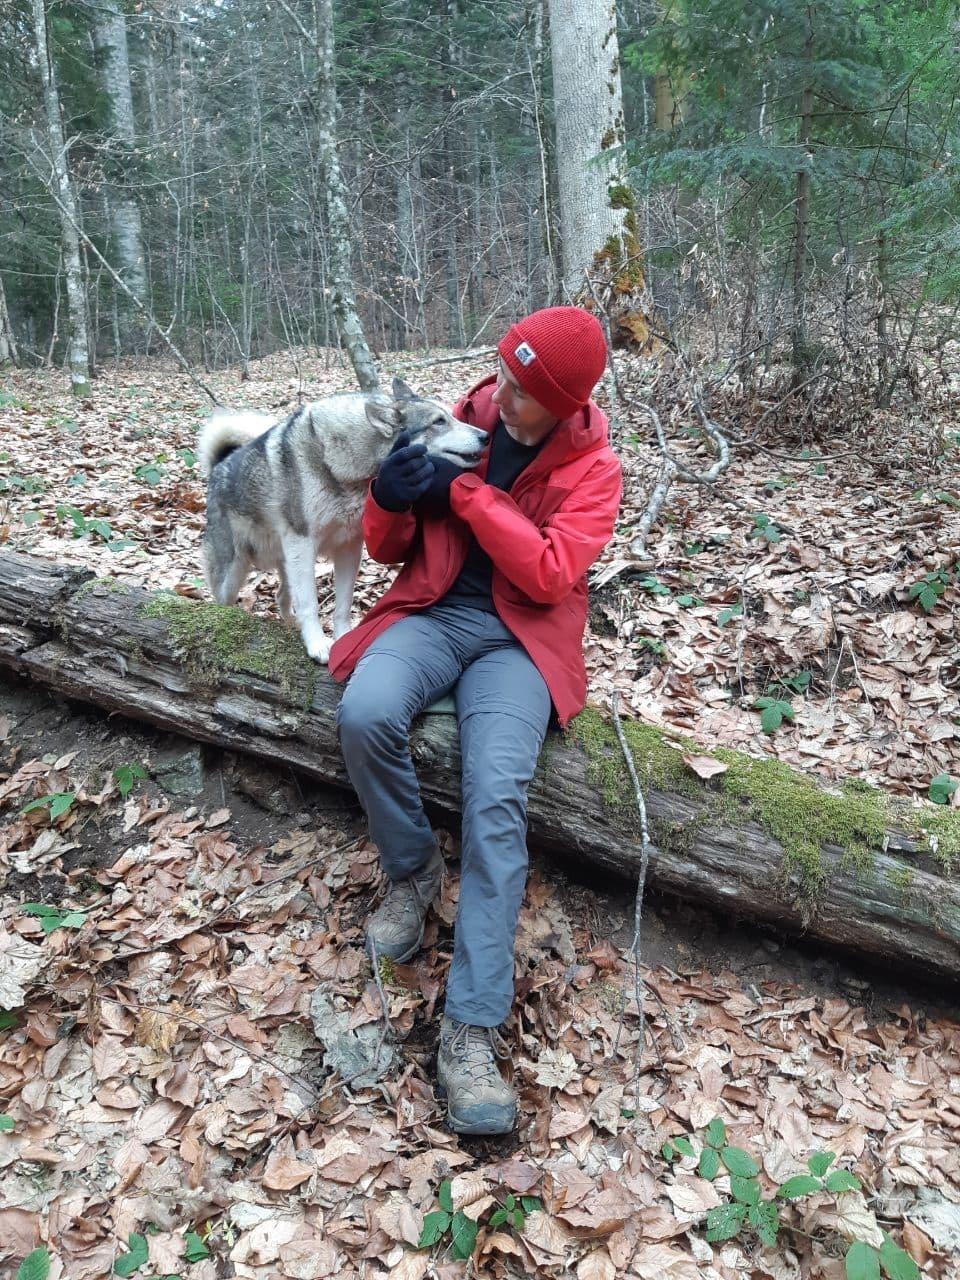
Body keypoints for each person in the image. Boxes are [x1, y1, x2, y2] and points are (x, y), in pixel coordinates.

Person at [328, 306, 622, 1135]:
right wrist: (388, 496)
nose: (504, 395)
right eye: (502, 373)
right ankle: (414, 870)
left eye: (525, 391)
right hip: (432, 613)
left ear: (566, 405)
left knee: (495, 800)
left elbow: (549, 573)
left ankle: (472, 1027)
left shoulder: (593, 469)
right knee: (365, 711)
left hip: (518, 642)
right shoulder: (467, 419)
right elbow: (389, 548)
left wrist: (465, 493)